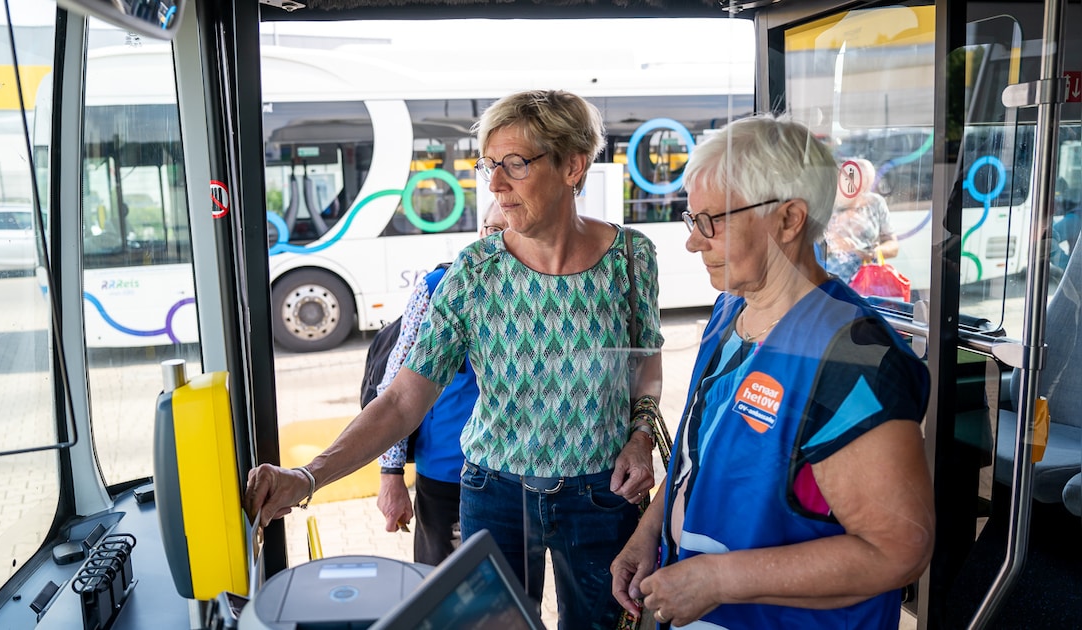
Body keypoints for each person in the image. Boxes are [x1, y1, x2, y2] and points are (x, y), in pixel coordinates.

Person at [248, 89, 664, 629]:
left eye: (514, 164)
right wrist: (308, 476)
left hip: (600, 494)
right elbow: (401, 399)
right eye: (488, 165)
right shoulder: (474, 272)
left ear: (572, 166)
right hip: (495, 492)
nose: (493, 184)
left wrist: (640, 437)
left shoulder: (632, 258)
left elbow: (645, 363)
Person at [610, 115, 934, 629]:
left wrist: (716, 580)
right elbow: (703, 452)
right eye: (690, 220)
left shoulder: (854, 357)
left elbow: (898, 551)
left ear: (788, 220)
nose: (694, 243)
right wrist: (649, 532)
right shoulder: (729, 310)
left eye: (711, 222)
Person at [374, 202, 508, 565]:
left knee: (512, 597)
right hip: (447, 477)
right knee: (443, 591)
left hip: (517, 481)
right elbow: (394, 389)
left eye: (512, 232)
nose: (501, 243)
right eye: (493, 230)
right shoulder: (437, 289)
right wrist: (391, 475)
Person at [820, 157, 900, 283]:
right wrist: (835, 244)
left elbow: (894, 246)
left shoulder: (875, 202)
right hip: (833, 281)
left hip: (868, 281)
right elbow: (808, 248)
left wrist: (871, 253)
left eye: (865, 186)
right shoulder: (825, 204)